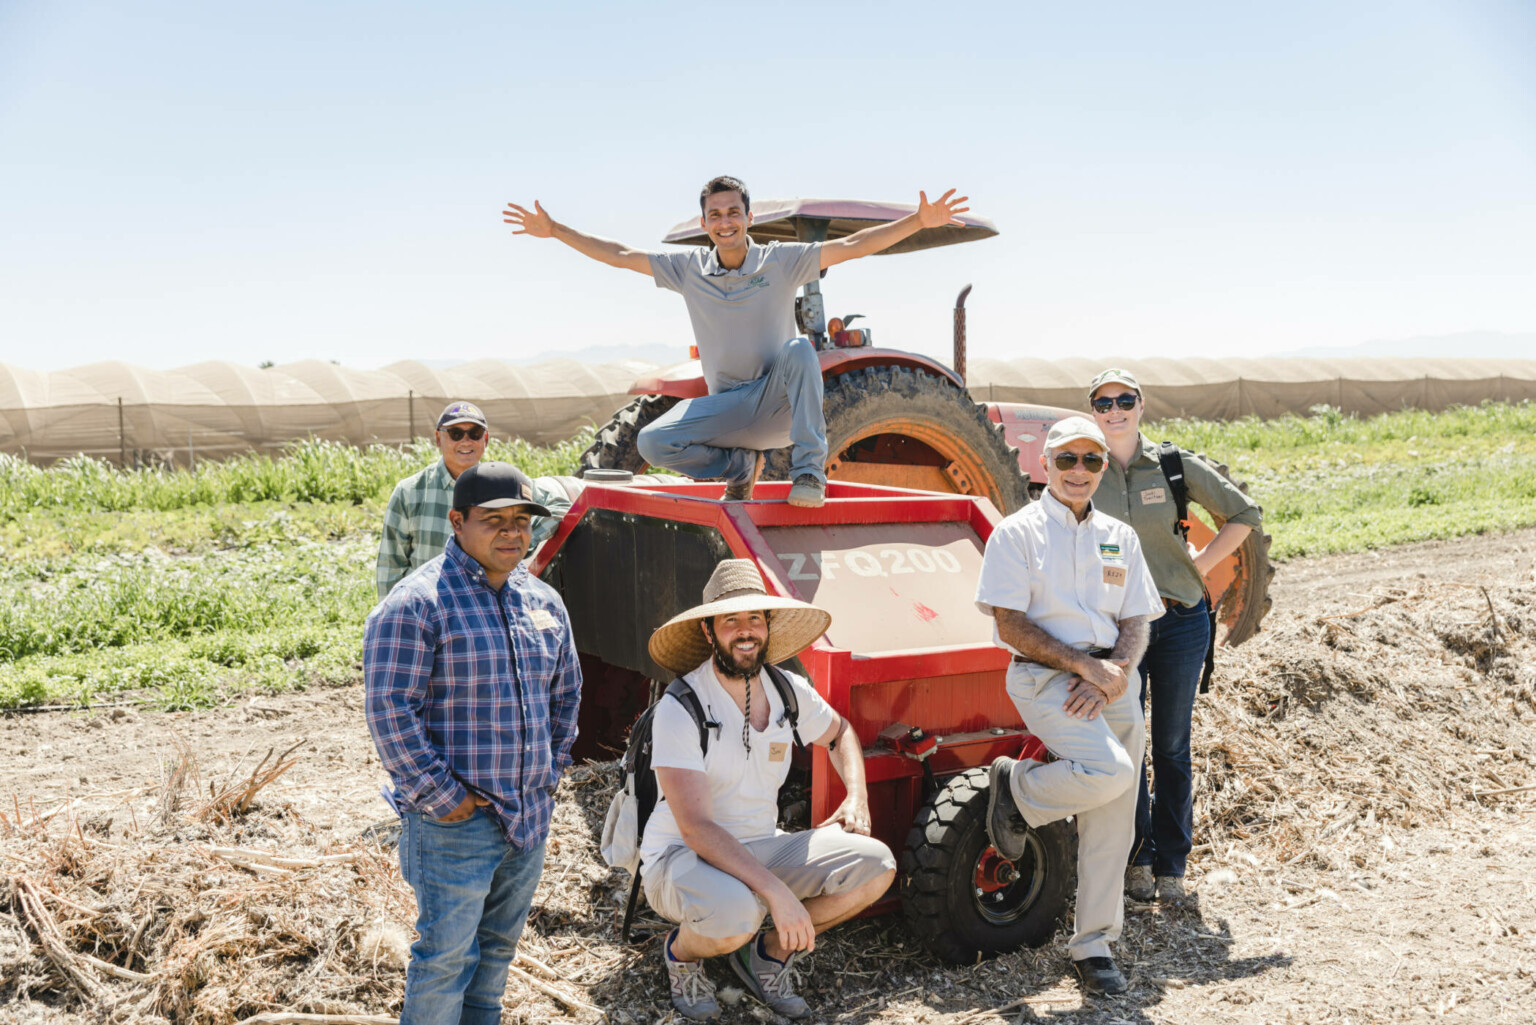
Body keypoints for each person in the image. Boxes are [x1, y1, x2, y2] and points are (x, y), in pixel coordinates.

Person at [502, 176, 970, 507]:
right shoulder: (687, 270)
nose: (724, 221)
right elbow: (622, 256)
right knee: (651, 440)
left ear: (748, 217)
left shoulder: (781, 261)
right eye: (715, 215)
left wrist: (917, 220)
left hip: (778, 403)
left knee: (800, 350)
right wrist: (555, 230)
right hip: (726, 409)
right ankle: (737, 469)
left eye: (733, 212)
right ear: (705, 223)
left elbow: (851, 247)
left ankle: (808, 470)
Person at [364, 461, 582, 1025]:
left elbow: (566, 695)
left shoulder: (541, 601)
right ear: (457, 522)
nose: (512, 532)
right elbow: (391, 710)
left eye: (521, 521)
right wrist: (443, 798)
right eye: (494, 521)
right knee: (444, 960)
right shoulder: (417, 604)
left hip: (528, 817)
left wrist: (549, 773)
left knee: (496, 956)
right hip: (455, 825)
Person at [640, 559, 897, 1020]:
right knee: (738, 911)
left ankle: (766, 953)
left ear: (768, 625)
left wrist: (856, 796)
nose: (745, 631)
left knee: (877, 866)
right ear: (707, 631)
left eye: (754, 618)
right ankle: (683, 955)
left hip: (760, 846)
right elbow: (696, 828)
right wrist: (777, 894)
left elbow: (841, 734)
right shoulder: (682, 705)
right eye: (731, 620)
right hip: (681, 856)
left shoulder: (788, 689)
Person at [976, 417, 1163, 997]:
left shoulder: (1119, 535)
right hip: (1047, 677)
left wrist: (1114, 675)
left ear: (1104, 467)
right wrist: (1084, 668)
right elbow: (1010, 624)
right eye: (1067, 460)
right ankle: (1017, 791)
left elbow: (1135, 620)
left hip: (1113, 679)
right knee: (1111, 772)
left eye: (1092, 460)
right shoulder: (1015, 534)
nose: (1079, 471)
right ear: (1045, 465)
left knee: (1116, 812)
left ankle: (1093, 944)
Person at [1084, 368, 1263, 903]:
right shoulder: (1084, 468)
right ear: (1092, 411)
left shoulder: (1171, 465)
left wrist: (1203, 562)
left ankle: (1172, 867)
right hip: (1120, 630)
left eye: (1124, 400)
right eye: (1102, 402)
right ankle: (1135, 859)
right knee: (1128, 744)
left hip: (1181, 620)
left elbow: (1244, 513)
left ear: (1140, 405)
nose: (1114, 410)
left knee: (1172, 745)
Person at [376, 400, 569, 600]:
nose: (466, 441)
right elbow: (390, 567)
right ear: (438, 438)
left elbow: (561, 507)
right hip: (429, 609)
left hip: (484, 608)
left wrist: (523, 541)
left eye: (474, 433)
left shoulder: (503, 484)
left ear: (485, 439)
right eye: (456, 433)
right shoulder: (410, 492)